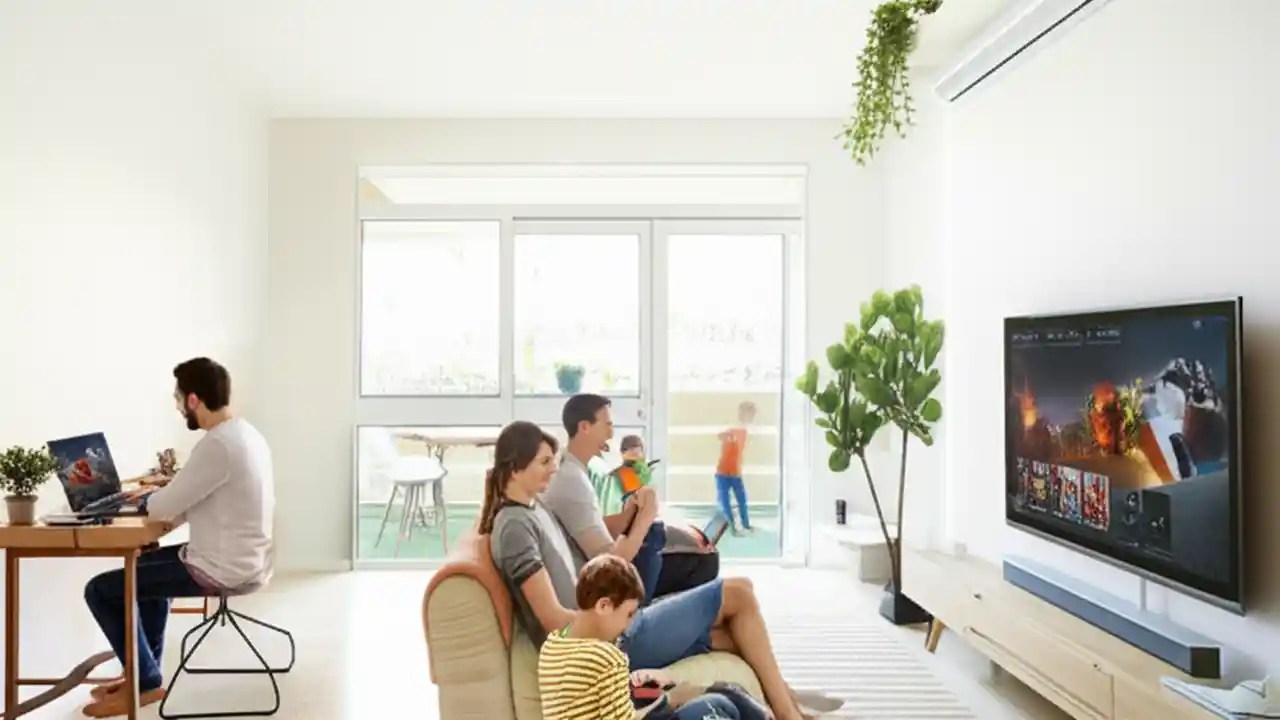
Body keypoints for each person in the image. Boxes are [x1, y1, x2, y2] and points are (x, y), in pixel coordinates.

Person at [484, 421, 826, 720]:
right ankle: (788, 712)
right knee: (738, 591)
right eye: (544, 462)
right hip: (607, 636)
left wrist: (630, 517)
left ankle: (787, 701)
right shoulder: (514, 526)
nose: (552, 469)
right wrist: (618, 619)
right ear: (515, 468)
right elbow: (552, 618)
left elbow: (582, 553)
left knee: (731, 633)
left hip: (609, 623)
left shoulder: (532, 508)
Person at [79, 358, 274, 718]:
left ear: (194, 400)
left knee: (100, 589)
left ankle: (147, 679)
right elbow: (194, 498)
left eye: (178, 397)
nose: (176, 404)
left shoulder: (217, 445)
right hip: (245, 559)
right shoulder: (245, 434)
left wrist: (147, 499)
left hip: (222, 566)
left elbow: (165, 507)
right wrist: (163, 498)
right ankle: (143, 677)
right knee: (144, 570)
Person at [538, 553, 742, 720]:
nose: (627, 626)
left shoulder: (552, 646)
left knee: (721, 697)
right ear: (604, 606)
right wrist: (670, 699)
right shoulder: (607, 657)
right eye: (628, 615)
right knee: (715, 703)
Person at [544, 394, 667, 604]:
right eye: (607, 425)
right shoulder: (571, 480)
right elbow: (610, 566)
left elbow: (591, 527)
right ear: (584, 427)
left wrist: (628, 514)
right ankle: (636, 626)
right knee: (662, 538)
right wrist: (646, 516)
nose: (611, 434)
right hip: (599, 588)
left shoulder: (574, 469)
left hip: (591, 574)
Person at [715, 401, 757, 536]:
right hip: (724, 473)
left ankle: (744, 524)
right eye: (748, 414)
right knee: (725, 502)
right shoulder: (734, 428)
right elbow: (720, 435)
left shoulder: (744, 430)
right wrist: (728, 435)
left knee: (741, 500)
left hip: (734, 473)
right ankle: (731, 527)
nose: (750, 417)